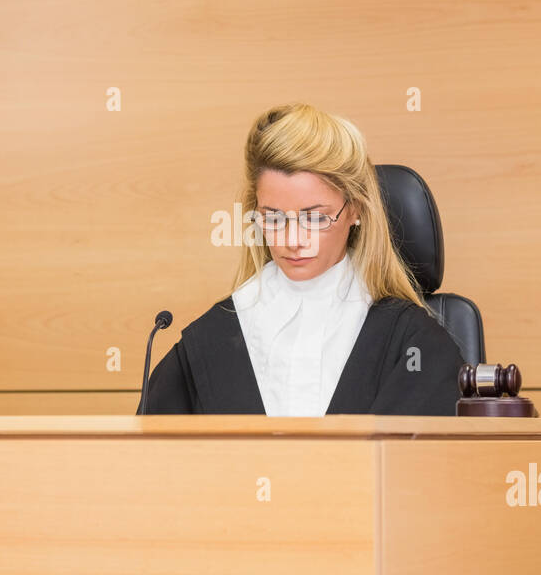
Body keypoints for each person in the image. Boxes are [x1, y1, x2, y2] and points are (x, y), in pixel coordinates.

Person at [139, 102, 465, 415]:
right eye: (274, 218)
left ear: (355, 210)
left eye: (315, 218)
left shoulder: (417, 346)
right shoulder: (206, 342)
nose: (293, 241)